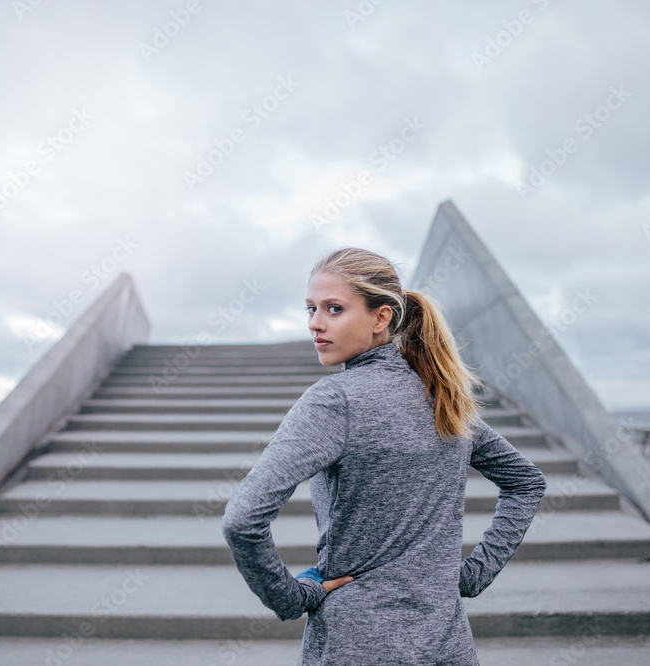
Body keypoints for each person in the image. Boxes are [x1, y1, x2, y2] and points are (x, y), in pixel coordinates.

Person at [222, 247, 548, 664]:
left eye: (333, 309)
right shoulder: (440, 398)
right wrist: (471, 574)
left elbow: (242, 520)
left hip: (354, 645)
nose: (315, 324)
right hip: (447, 645)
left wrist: (291, 598)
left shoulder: (334, 401)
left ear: (382, 318)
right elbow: (527, 481)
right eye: (310, 309)